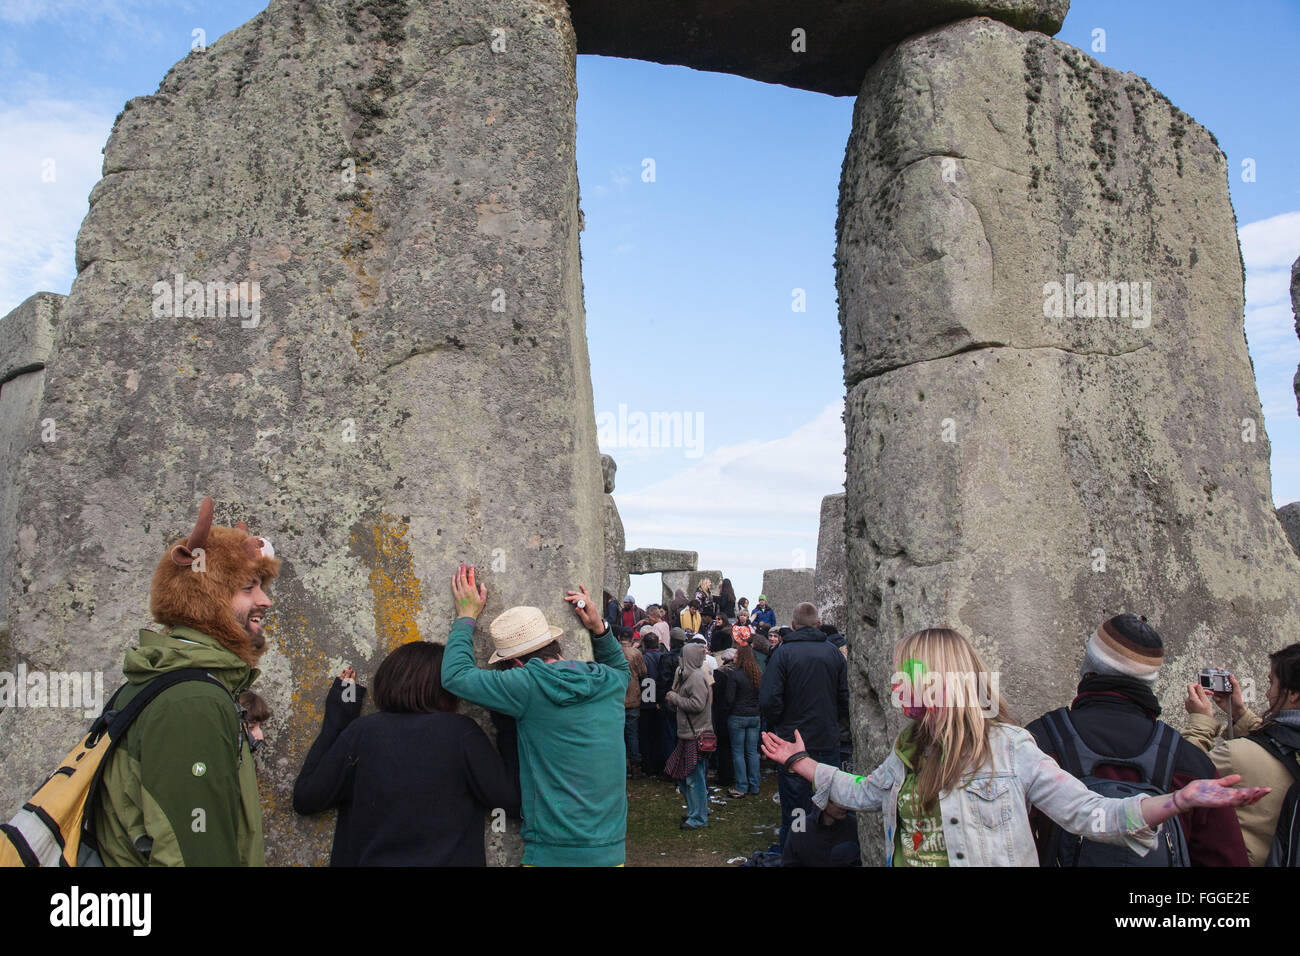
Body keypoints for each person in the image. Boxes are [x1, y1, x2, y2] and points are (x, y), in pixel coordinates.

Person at [761, 627, 1271, 866]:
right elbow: (865, 792)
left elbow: (1092, 814)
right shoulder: (908, 751)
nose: (897, 683)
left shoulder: (1011, 749)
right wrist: (800, 761)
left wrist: (1176, 802)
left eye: (908, 673)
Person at [88, 497, 276, 867]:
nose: (265, 601)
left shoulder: (163, 680)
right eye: (248, 588)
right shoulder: (193, 702)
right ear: (207, 597)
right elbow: (192, 853)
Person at [440, 564, 629, 866]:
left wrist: (465, 618)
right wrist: (599, 629)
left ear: (514, 663)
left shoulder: (526, 685)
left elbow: (455, 677)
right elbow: (622, 669)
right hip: (610, 850)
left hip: (552, 853)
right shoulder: (608, 681)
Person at [1025, 614, 1248, 866]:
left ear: (1087, 667)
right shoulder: (1190, 763)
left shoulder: (1038, 742)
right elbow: (1227, 859)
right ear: (1149, 683)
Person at [293, 646, 520, 866]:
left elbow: (307, 798)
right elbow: (510, 801)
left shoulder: (362, 732)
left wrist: (341, 713)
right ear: (446, 689)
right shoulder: (460, 732)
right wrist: (506, 718)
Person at [1183, 643, 1300, 865]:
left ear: (1293, 694)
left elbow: (1178, 783)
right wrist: (1240, 714)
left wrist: (1201, 723)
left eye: (1271, 682)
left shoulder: (1235, 757)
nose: (1267, 693)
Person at [759, 602, 849, 849]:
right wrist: (834, 721)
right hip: (827, 739)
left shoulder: (783, 653)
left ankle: (796, 852)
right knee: (828, 805)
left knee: (796, 808)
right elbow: (845, 697)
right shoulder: (834, 654)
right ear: (818, 624)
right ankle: (825, 852)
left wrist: (779, 723)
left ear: (794, 625)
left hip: (792, 743)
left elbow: (768, 699)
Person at [664, 643, 714, 829]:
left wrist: (675, 698)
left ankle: (699, 817)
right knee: (684, 776)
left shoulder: (696, 678)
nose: (679, 659)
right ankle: (696, 811)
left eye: (683, 656)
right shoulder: (688, 675)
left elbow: (697, 705)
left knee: (694, 778)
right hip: (688, 733)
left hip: (696, 734)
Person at [725, 644, 763, 798]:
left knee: (738, 752)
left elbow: (729, 698)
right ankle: (754, 784)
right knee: (752, 752)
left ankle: (742, 785)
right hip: (754, 716)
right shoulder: (758, 674)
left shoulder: (735, 675)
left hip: (738, 716)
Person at [782, 803, 861, 867]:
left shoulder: (855, 825)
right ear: (823, 800)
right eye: (836, 801)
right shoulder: (801, 829)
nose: (843, 805)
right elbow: (789, 863)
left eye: (844, 799)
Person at [620, 630, 648, 777]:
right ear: (631, 639)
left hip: (616, 699)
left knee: (618, 736)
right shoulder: (635, 653)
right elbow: (643, 672)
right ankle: (636, 766)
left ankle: (621, 765)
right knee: (632, 734)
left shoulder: (614, 653)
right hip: (633, 698)